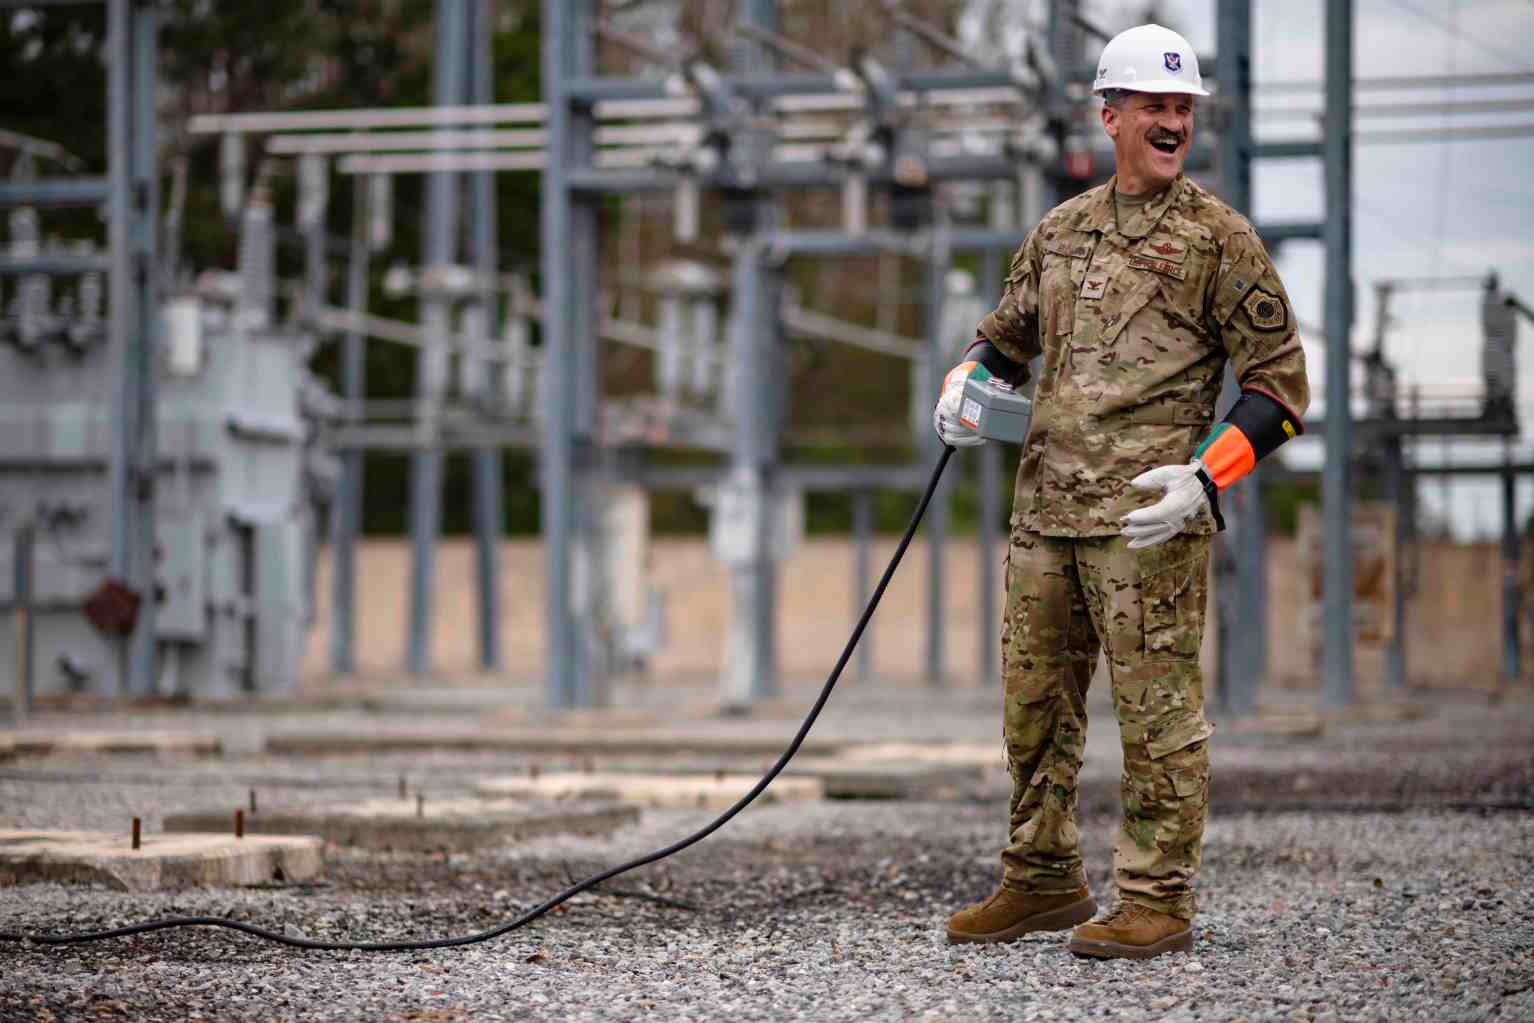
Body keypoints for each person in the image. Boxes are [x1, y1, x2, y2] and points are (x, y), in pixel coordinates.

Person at [934, 23, 1310, 960]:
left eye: (1183, 108)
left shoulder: (1219, 240)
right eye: (1155, 105)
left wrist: (1204, 476)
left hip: (1149, 524)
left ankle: (1155, 898)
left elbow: (1280, 389)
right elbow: (1007, 339)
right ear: (1111, 115)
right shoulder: (1060, 234)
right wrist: (965, 381)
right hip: (1045, 515)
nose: (1173, 122)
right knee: (1032, 708)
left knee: (1157, 719)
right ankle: (1042, 878)